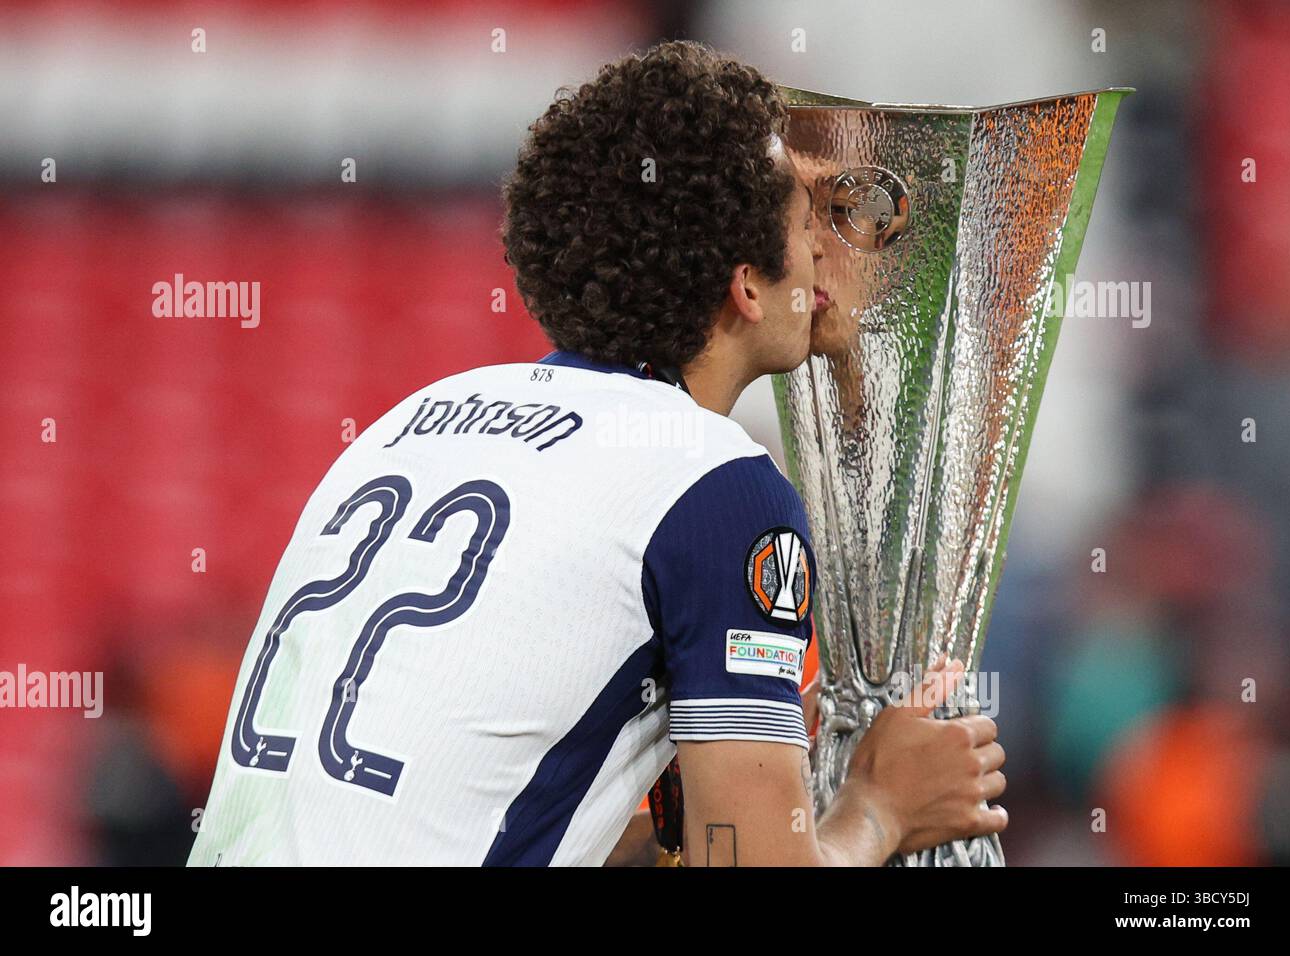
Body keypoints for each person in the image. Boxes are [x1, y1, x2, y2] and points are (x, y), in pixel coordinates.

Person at [188, 39, 1006, 867]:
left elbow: (485, 803)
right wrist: (878, 807)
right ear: (749, 285)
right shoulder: (718, 487)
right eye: (804, 226)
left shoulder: (407, 422)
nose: (826, 250)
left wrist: (690, 807)